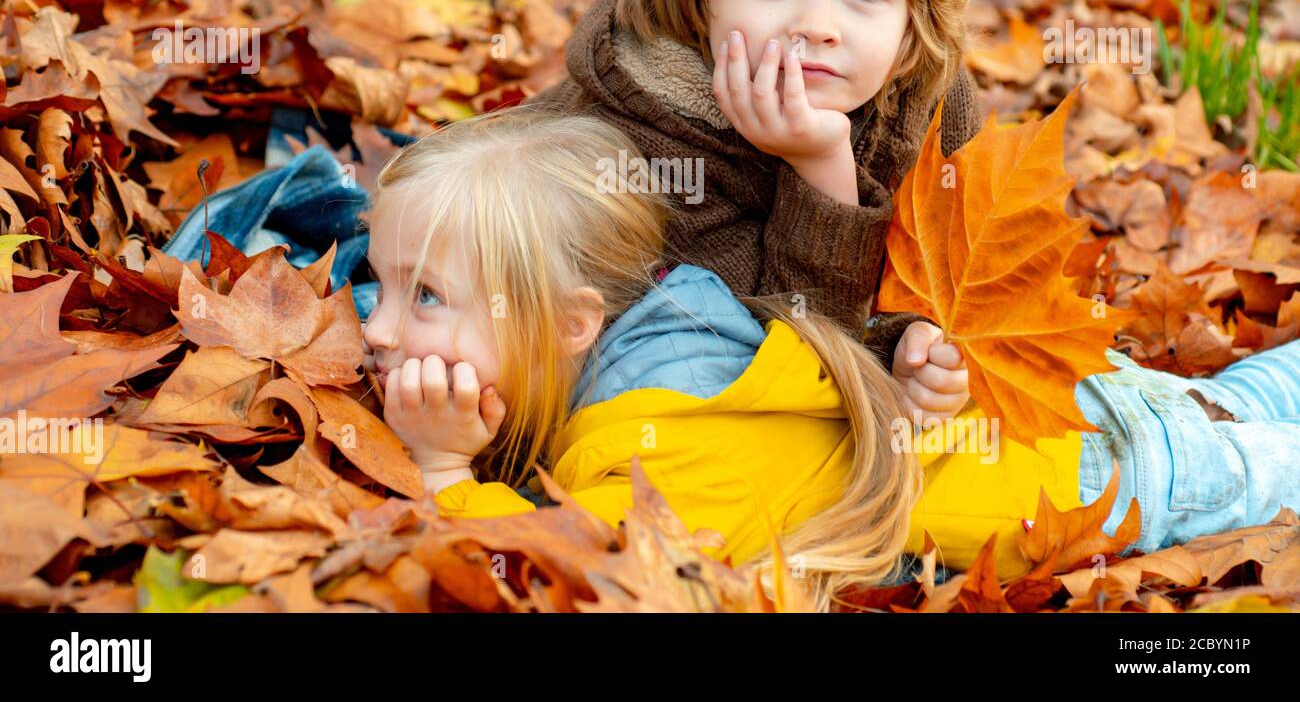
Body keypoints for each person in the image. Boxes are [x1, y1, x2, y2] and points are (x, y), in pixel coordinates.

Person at [358, 105, 1300, 607]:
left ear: (572, 322)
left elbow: (591, 581)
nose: (377, 327)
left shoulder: (659, 438)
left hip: (1120, 477)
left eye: (425, 294)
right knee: (1257, 390)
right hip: (1084, 418)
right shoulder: (677, 331)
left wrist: (444, 469)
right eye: (382, 283)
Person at [525, 0, 982, 420]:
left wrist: (919, 350)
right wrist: (821, 171)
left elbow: (962, 280)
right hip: (656, 353)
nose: (820, 23)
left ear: (914, 20)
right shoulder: (648, 136)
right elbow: (778, 357)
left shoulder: (932, 103)